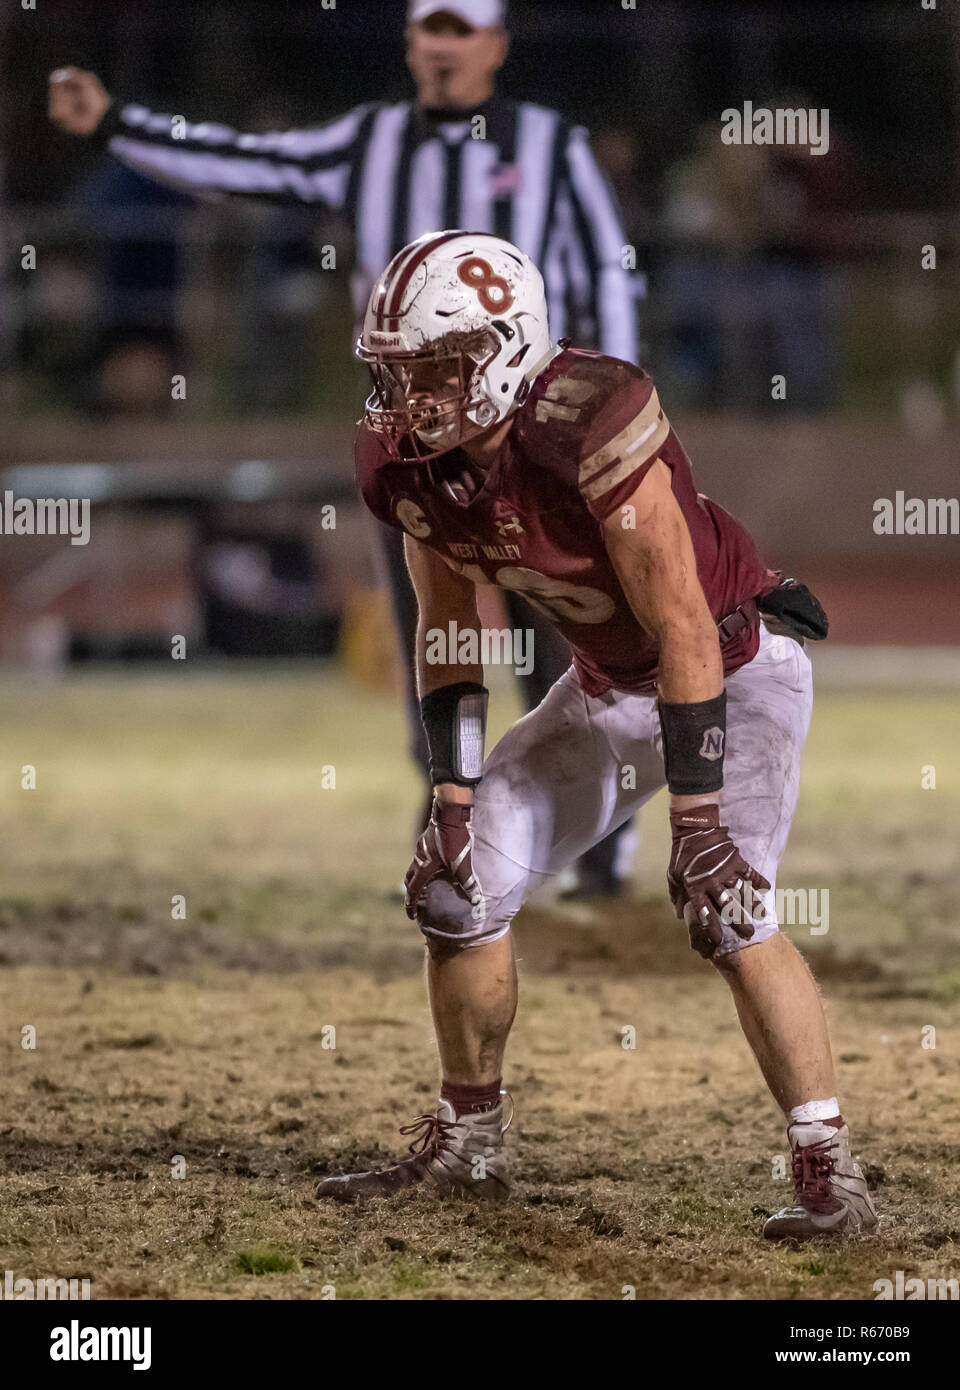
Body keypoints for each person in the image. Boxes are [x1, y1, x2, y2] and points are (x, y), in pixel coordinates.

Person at [318, 228, 878, 1242]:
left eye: (438, 366)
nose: (415, 397)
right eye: (398, 371)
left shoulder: (590, 420)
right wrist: (449, 798)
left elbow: (683, 627)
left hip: (734, 672)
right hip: (608, 686)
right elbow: (449, 626)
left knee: (731, 908)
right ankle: (471, 1141)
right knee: (457, 886)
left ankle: (828, 1167)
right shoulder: (407, 464)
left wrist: (697, 819)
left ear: (508, 347)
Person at [48, 0, 643, 897]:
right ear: (409, 43)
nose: (441, 47)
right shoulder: (369, 145)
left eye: (459, 30)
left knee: (558, 633)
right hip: (413, 435)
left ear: (495, 46)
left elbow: (604, 265)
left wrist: (614, 403)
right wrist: (117, 127)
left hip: (529, 431)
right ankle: (449, 813)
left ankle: (598, 848)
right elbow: (243, 165)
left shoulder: (552, 146)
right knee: (431, 628)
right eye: (427, 29)